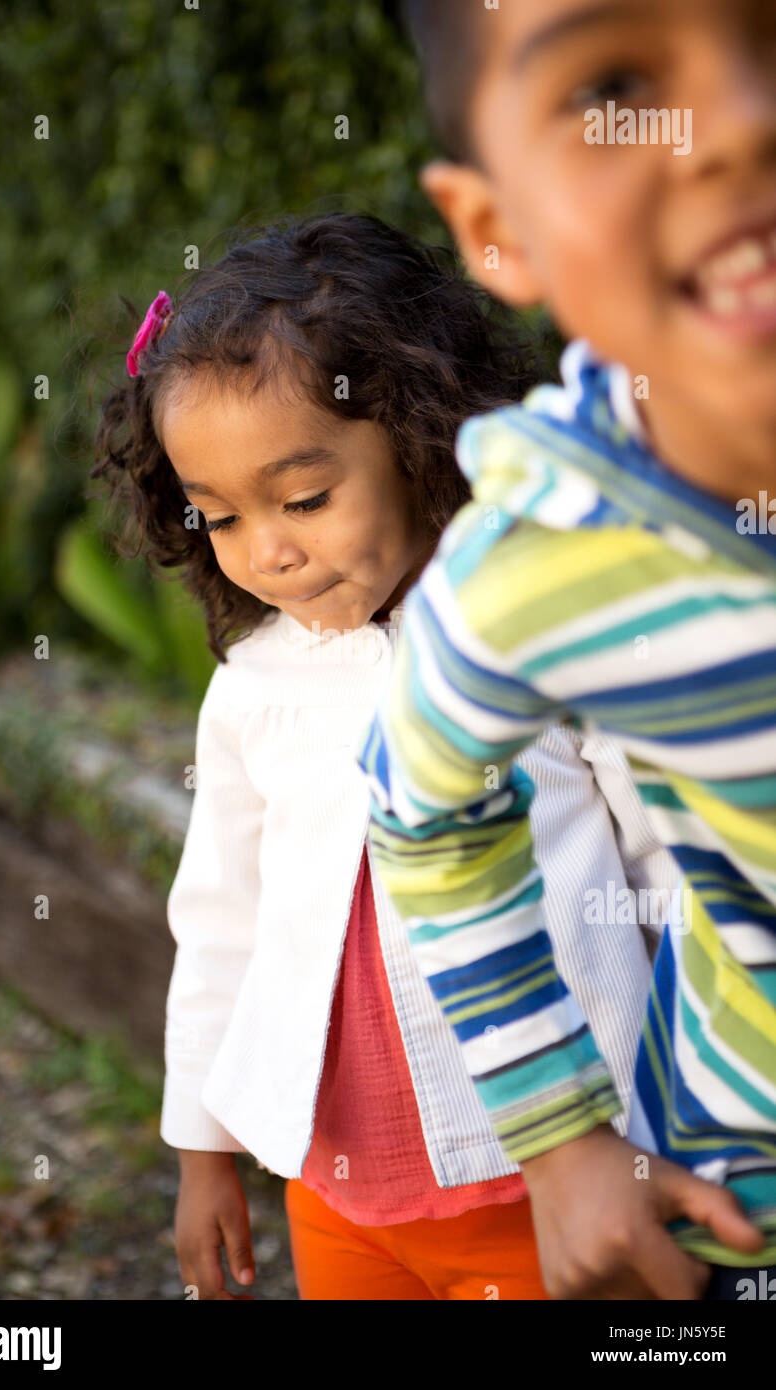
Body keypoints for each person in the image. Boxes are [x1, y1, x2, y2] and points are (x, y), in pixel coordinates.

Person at [92, 212, 676, 1300]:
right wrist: (202, 1153)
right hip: (338, 1193)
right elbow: (219, 923)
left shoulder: (534, 632)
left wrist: (693, 1107)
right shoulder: (255, 686)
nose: (267, 548)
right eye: (217, 517)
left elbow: (663, 859)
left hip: (550, 1166)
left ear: (416, 435)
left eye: (304, 499)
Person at [356, 0, 776, 1301]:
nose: (738, 123)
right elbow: (422, 813)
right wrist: (557, 1140)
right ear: (495, 229)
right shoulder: (536, 561)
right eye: (608, 92)